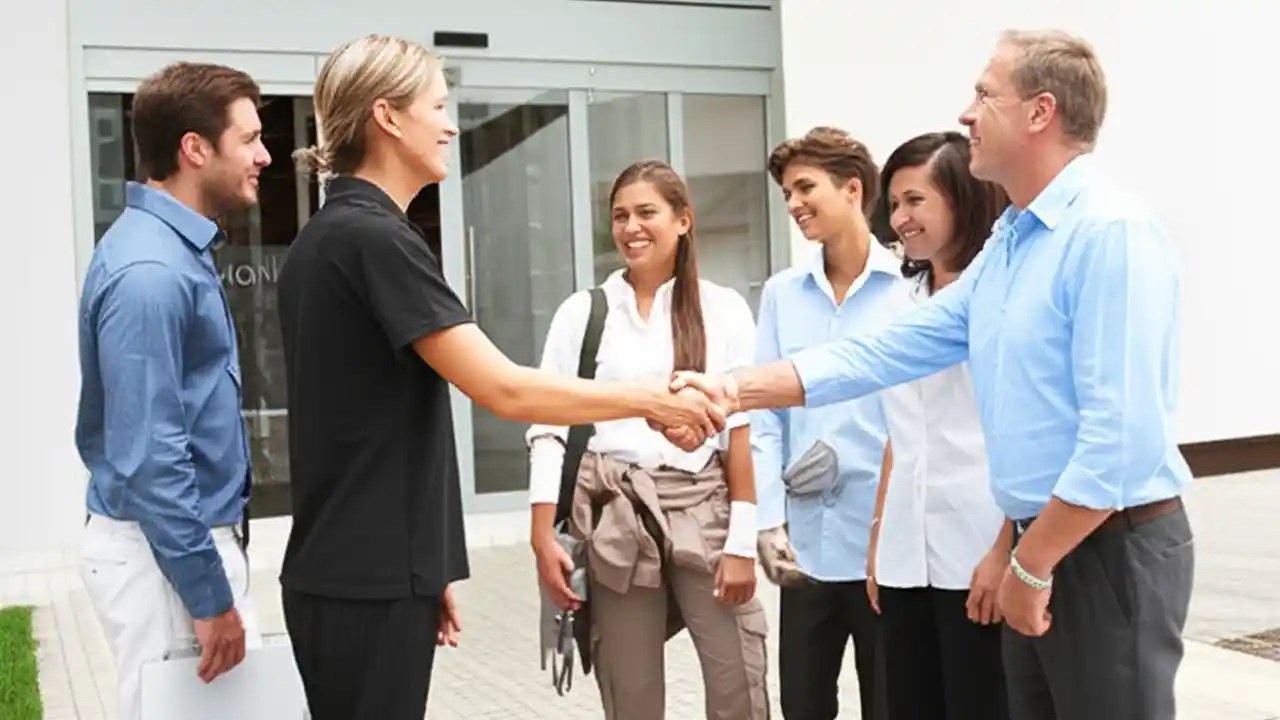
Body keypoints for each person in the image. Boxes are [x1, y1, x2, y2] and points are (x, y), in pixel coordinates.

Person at [663, 29, 1195, 720]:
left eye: (983, 94)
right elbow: (889, 348)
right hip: (1048, 537)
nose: (967, 113)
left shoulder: (1108, 235)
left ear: (1040, 113)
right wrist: (734, 387)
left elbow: (1117, 443)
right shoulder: (1013, 241)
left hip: (1106, 549)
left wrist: (1028, 562)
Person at [275, 36, 726, 720]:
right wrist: (652, 400)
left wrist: (421, 570)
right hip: (366, 580)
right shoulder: (374, 239)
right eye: (438, 105)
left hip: (360, 572)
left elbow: (359, 417)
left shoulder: (326, 236)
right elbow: (505, 390)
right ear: (387, 117)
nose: (452, 124)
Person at [527, 159, 767, 719]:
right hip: (617, 519)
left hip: (705, 509)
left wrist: (741, 542)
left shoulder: (723, 308)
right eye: (620, 216)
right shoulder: (583, 314)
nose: (631, 227)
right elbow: (548, 428)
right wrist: (543, 536)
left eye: (646, 213)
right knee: (630, 696)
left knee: (740, 686)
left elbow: (743, 434)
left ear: (683, 220)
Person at [75, 62, 271, 720]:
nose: (264, 155)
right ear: (195, 148)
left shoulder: (171, 251)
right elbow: (151, 456)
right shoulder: (151, 272)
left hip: (174, 551)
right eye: (248, 139)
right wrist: (207, 595)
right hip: (164, 558)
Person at [750, 127, 896, 720]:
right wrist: (766, 519)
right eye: (787, 192)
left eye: (805, 187)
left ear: (853, 188)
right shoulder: (783, 295)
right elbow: (764, 414)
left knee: (891, 703)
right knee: (804, 707)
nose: (793, 204)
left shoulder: (909, 291)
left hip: (887, 550)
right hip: (806, 548)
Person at [866, 131, 1011, 720]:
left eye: (915, 201)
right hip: (906, 551)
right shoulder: (896, 304)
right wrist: (878, 542)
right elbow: (899, 437)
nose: (900, 218)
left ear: (963, 197)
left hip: (980, 548)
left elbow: (1027, 437)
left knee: (982, 704)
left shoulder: (1002, 297)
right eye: (894, 204)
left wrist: (1009, 551)